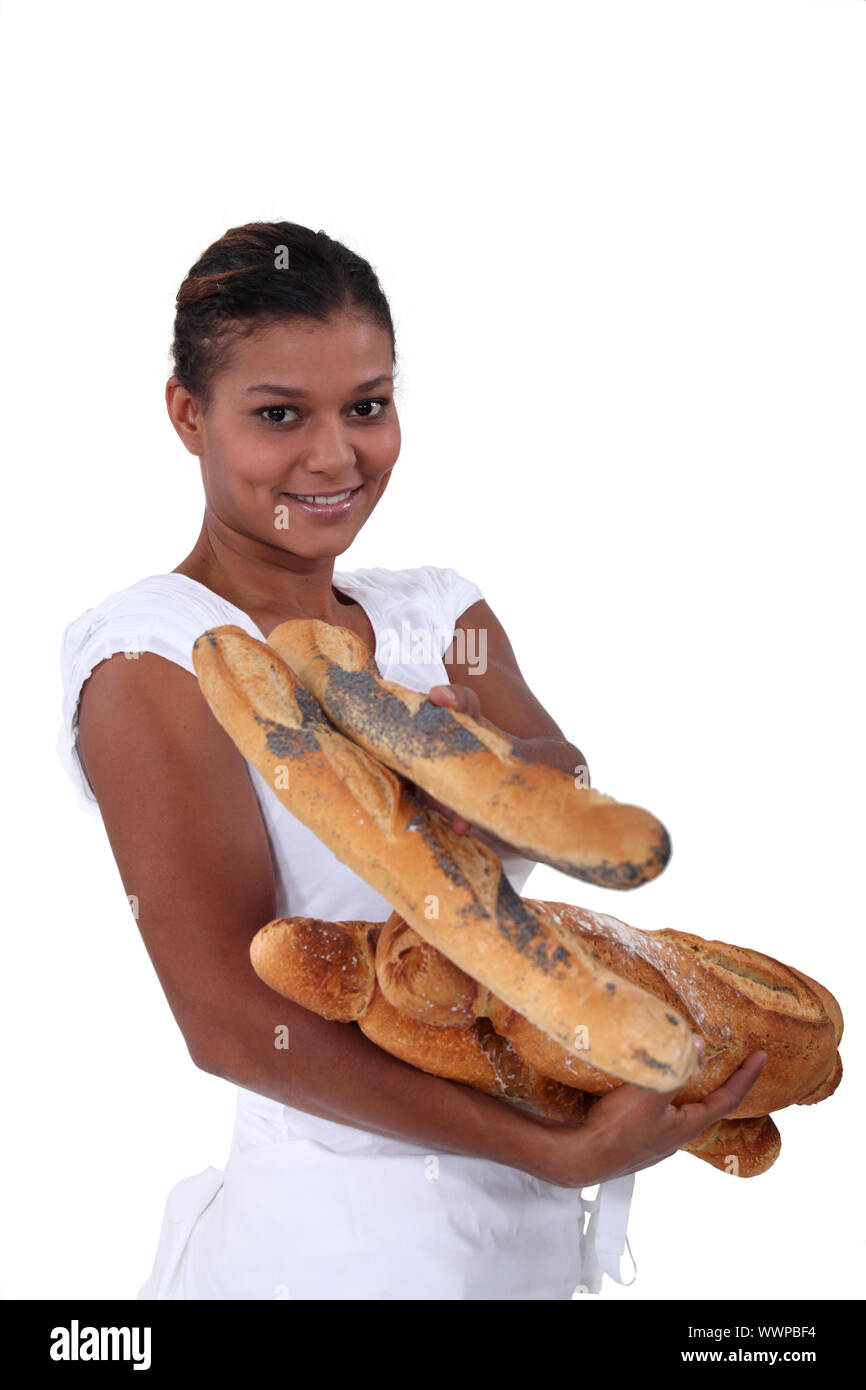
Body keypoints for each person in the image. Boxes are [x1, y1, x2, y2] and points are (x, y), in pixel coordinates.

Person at [55, 220, 768, 1301]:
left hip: (519, 1244)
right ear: (187, 414)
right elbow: (229, 1019)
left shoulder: (437, 611)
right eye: (278, 414)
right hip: (331, 1249)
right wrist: (546, 1148)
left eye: (368, 406)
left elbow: (571, 787)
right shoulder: (161, 653)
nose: (335, 455)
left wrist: (488, 766)